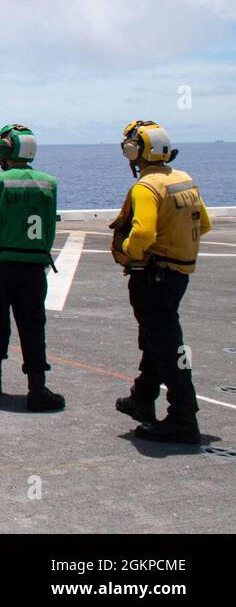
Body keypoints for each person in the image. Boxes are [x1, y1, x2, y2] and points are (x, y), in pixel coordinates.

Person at [110, 120, 211, 443]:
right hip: (179, 274)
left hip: (153, 274)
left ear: (134, 150)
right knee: (157, 337)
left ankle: (183, 417)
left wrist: (128, 252)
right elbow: (204, 224)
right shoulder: (184, 180)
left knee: (167, 346)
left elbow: (141, 233)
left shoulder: (146, 187)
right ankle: (142, 396)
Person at [0, 124, 65, 412]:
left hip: (0, 266)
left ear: (4, 149)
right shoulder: (48, 183)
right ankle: (37, 388)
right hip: (34, 266)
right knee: (32, 326)